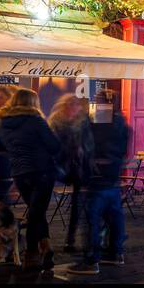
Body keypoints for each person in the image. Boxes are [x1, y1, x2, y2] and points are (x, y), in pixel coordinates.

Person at [0, 88, 61, 270]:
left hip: (19, 172)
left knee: (35, 210)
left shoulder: (4, 122)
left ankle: (46, 246)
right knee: (36, 213)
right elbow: (54, 146)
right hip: (42, 171)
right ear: (33, 103)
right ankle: (32, 253)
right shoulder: (36, 121)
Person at [69, 90, 130, 275]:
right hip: (113, 176)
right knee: (114, 217)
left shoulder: (95, 122)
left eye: (98, 100)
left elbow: (84, 144)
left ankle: (91, 261)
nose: (94, 103)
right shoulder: (121, 122)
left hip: (95, 177)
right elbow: (124, 150)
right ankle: (115, 253)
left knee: (91, 220)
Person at [48, 93, 93, 253]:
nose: (73, 109)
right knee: (78, 204)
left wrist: (84, 153)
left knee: (80, 204)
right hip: (65, 167)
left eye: (75, 106)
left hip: (83, 168)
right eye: (70, 106)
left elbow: (89, 144)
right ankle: (71, 239)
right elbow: (53, 146)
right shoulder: (56, 122)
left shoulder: (83, 121)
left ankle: (73, 240)